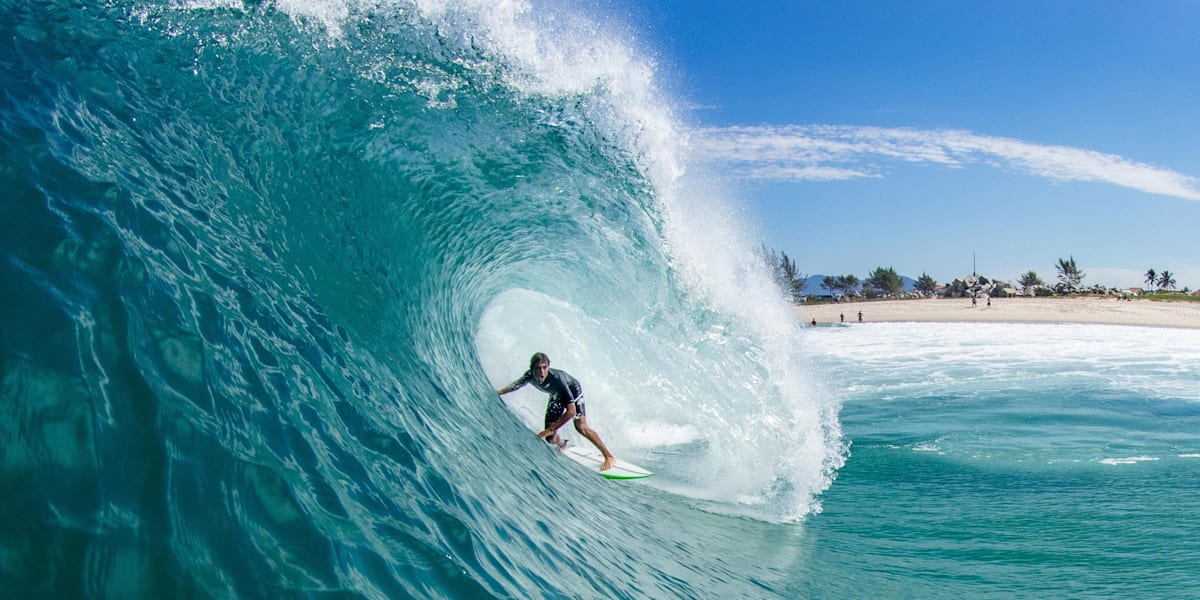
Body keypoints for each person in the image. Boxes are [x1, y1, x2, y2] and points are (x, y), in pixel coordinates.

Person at [498, 352, 616, 471]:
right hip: (557, 395)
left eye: (545, 367)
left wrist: (550, 429)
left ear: (548, 366)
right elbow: (516, 385)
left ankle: (609, 456)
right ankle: (562, 444)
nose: (542, 372)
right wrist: (499, 393)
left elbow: (571, 412)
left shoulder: (557, 381)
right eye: (538, 368)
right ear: (532, 368)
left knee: (581, 427)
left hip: (572, 390)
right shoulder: (529, 376)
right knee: (550, 438)